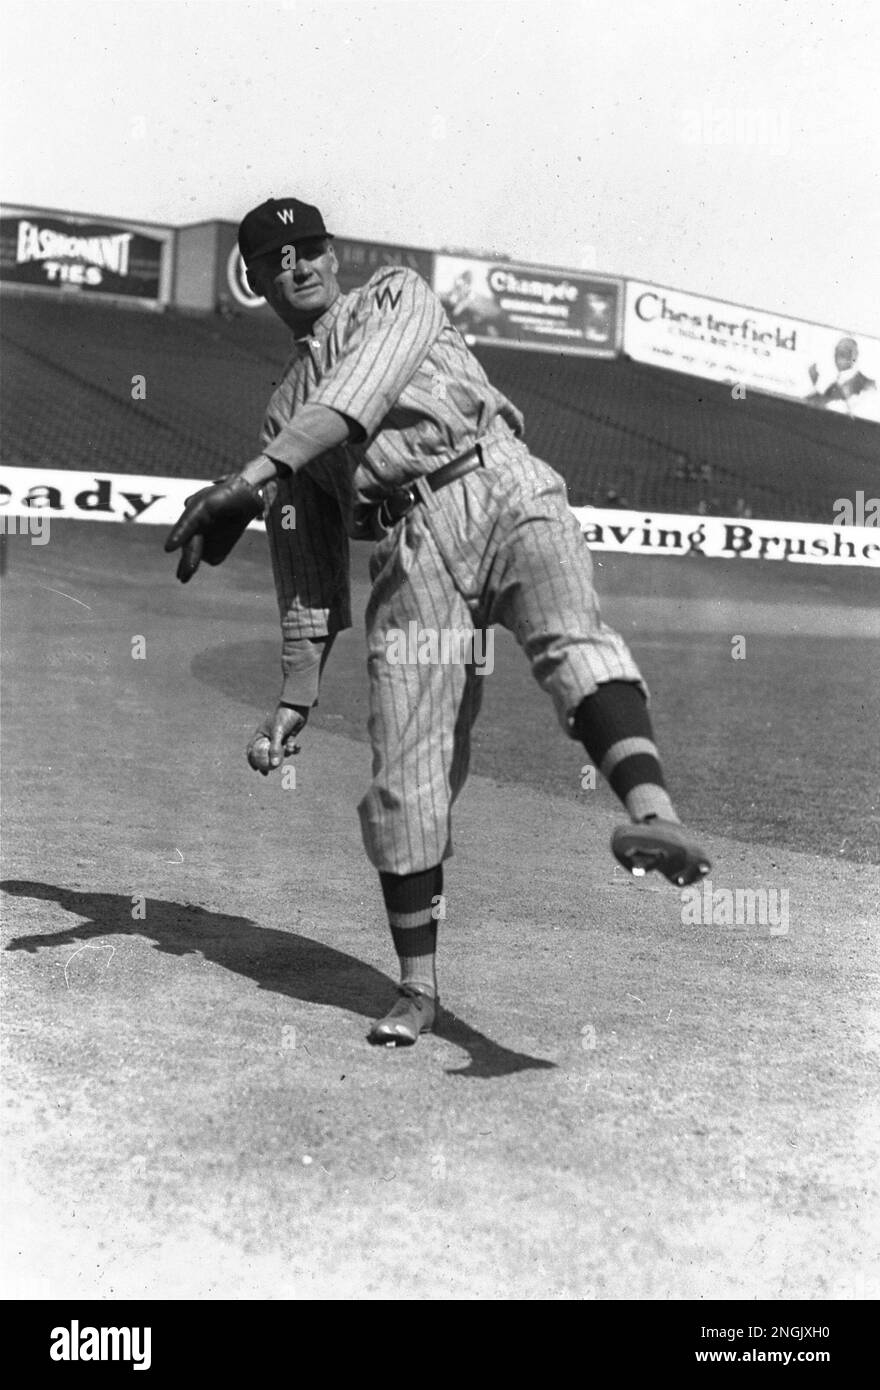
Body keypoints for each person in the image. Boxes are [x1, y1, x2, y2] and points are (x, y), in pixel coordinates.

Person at [164, 195, 711, 1047]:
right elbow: (305, 555)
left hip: (500, 482)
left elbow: (358, 391)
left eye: (307, 248)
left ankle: (652, 815)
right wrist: (295, 695)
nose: (295, 267)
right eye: (273, 260)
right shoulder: (282, 412)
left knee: (570, 640)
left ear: (332, 253)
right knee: (406, 770)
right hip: (409, 545)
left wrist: (252, 477)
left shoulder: (394, 294)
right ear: (252, 277)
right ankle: (417, 990)